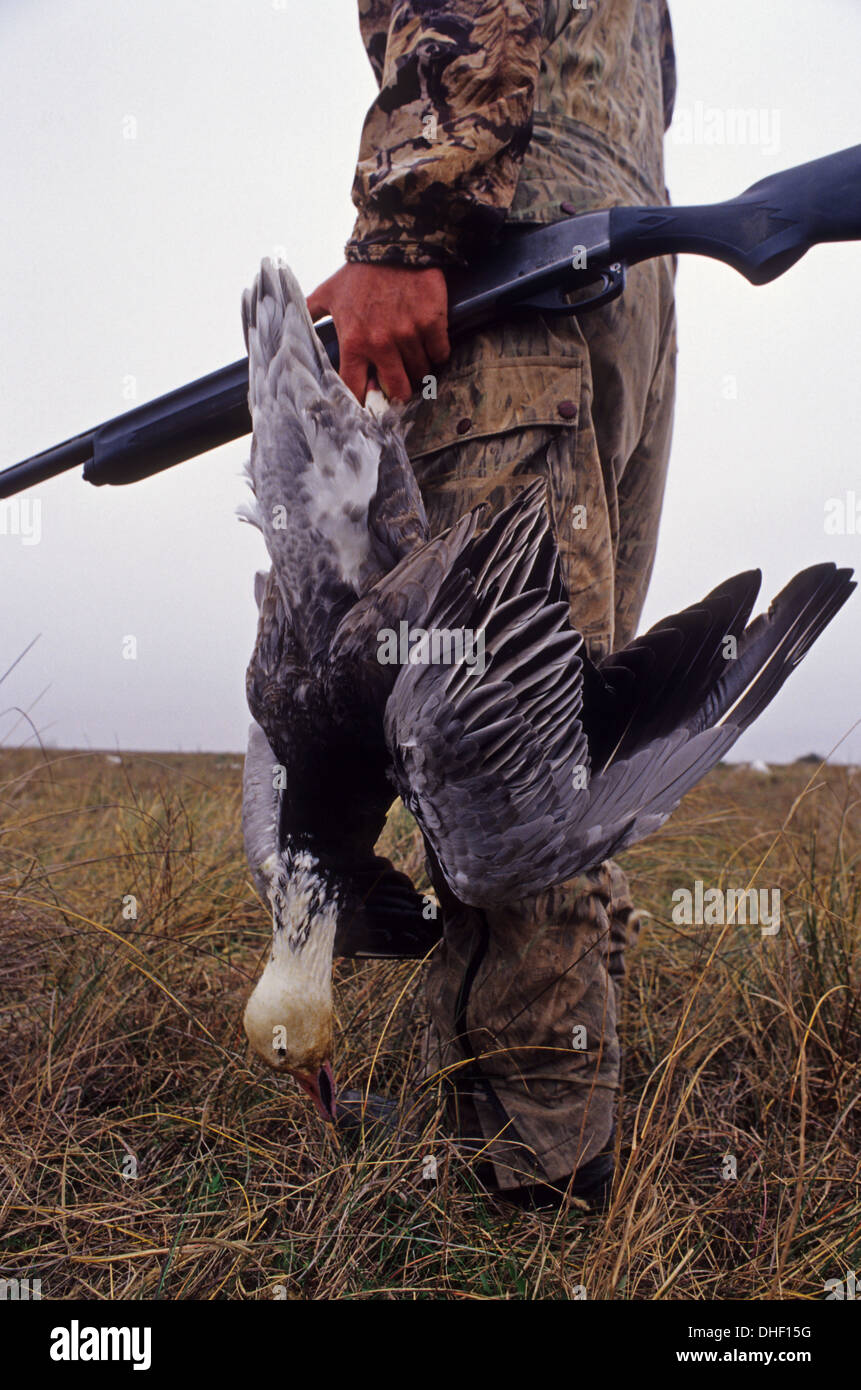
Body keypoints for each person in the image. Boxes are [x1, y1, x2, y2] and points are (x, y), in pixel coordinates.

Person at [307, 0, 678, 1205]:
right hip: (614, 264)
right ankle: (557, 1121)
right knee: (565, 738)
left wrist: (403, 224)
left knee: (498, 760)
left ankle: (517, 1184)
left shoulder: (447, 209)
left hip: (511, 265)